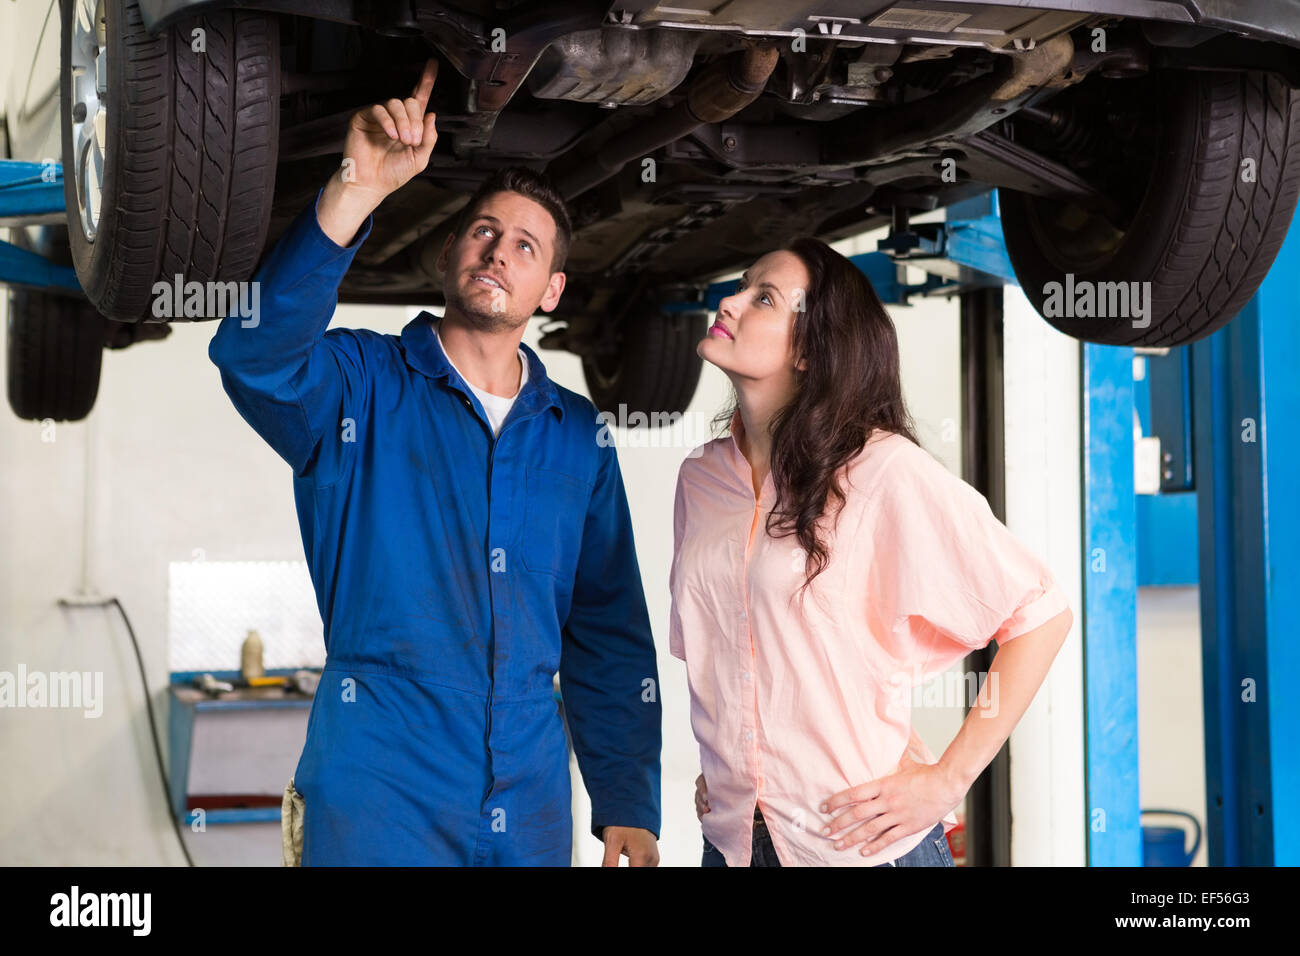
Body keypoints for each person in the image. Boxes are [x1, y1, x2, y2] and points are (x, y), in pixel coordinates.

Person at [209, 59, 661, 866]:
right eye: (484, 231)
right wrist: (356, 188)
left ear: (550, 290)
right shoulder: (361, 383)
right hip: (379, 783)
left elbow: (606, 625)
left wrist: (626, 797)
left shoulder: (575, 434)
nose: (498, 252)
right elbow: (255, 359)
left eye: (526, 245)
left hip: (528, 795)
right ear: (451, 250)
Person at [668, 238, 1073, 867]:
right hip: (734, 844)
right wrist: (741, 778)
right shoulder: (702, 479)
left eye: (764, 297)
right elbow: (733, 659)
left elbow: (1040, 614)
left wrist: (948, 777)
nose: (730, 300)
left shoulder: (881, 471)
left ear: (807, 350)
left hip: (857, 848)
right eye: (743, 283)